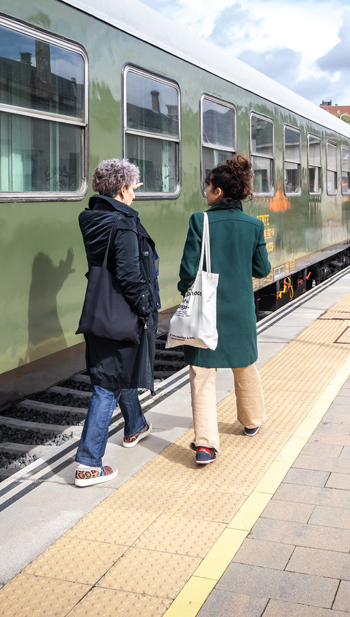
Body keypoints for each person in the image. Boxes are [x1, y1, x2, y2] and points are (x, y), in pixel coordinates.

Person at [177, 155, 271, 466]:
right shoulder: (254, 225)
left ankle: (205, 445)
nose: (205, 190)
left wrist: (186, 294)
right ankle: (251, 420)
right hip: (241, 309)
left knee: (202, 375)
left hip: (207, 311)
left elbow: (188, 272)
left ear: (218, 192)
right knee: (244, 366)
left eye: (208, 186)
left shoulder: (199, 221)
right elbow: (262, 269)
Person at [74, 159, 157, 487]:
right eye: (133, 188)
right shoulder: (122, 224)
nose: (135, 194)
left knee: (113, 372)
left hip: (99, 310)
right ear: (122, 189)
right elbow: (128, 274)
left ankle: (135, 424)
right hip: (120, 314)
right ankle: (88, 463)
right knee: (105, 387)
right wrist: (146, 307)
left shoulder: (91, 218)